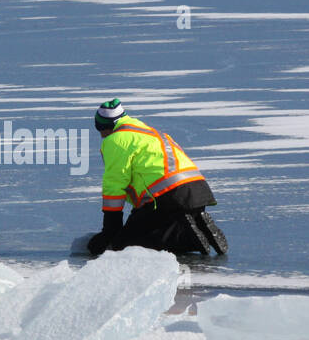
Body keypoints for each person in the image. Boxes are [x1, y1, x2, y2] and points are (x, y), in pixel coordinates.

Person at [88, 99, 227, 257]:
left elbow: (114, 184)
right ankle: (195, 221)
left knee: (123, 246)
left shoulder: (116, 140)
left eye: (100, 130)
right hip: (196, 190)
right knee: (160, 220)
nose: (101, 136)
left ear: (105, 126)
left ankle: (185, 237)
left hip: (167, 195)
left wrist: (110, 230)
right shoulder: (150, 132)